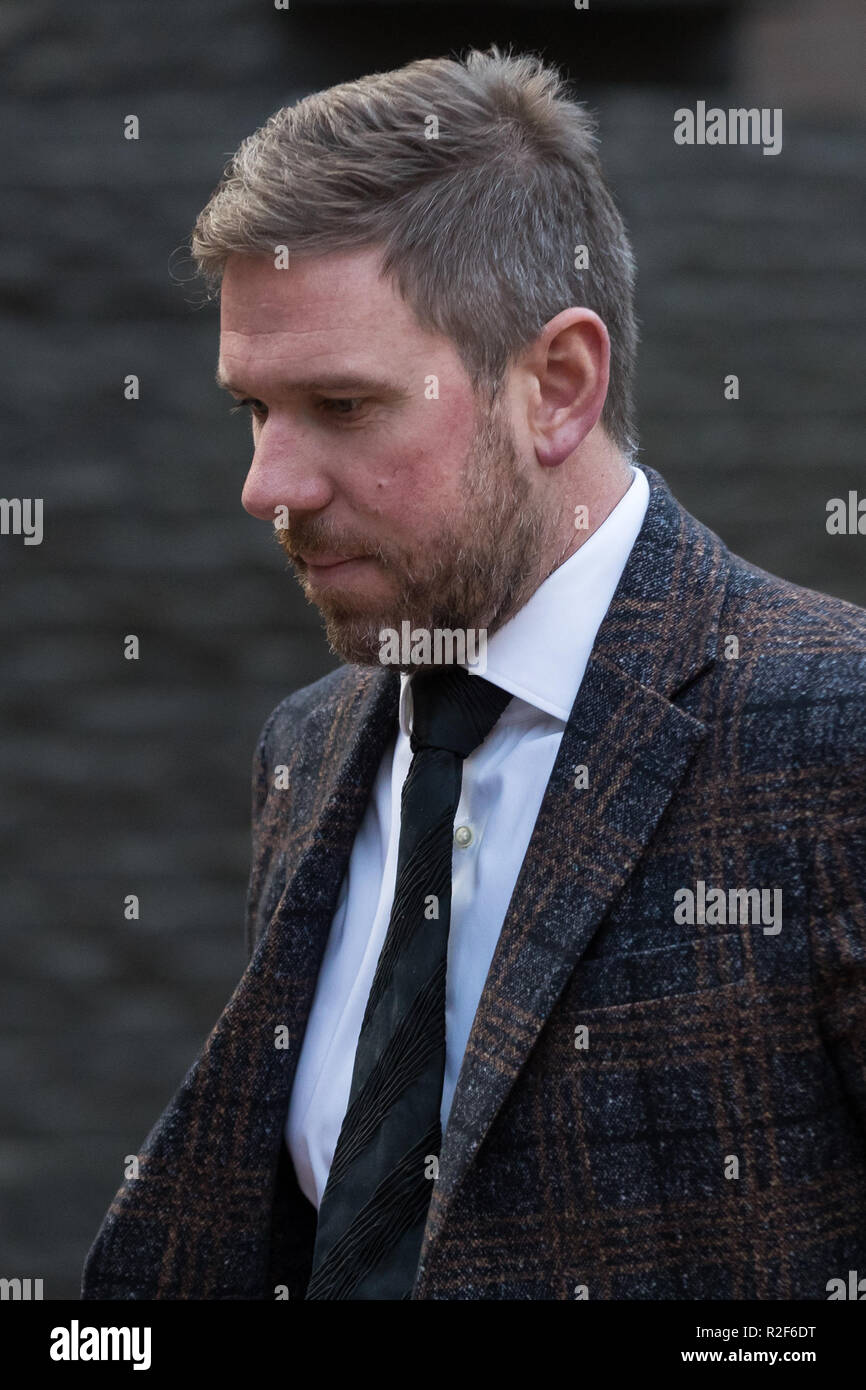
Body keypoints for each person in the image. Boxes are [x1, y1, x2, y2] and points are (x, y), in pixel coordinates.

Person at [82, 46, 866, 1301]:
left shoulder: (827, 729)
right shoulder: (308, 750)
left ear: (555, 386)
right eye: (252, 410)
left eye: (341, 406)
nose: (266, 488)